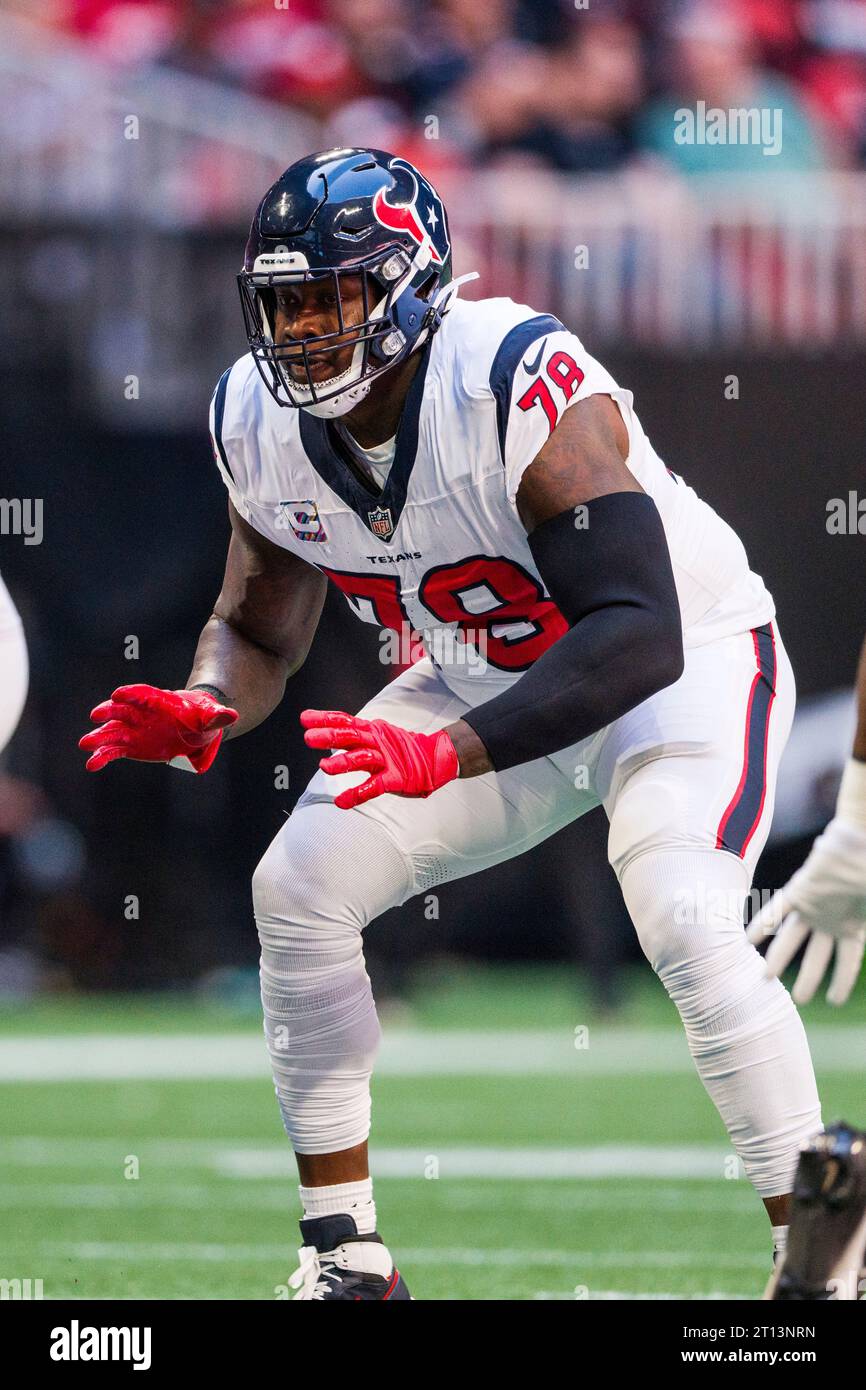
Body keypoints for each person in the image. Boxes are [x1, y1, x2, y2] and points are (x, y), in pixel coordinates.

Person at [81, 147, 821, 1300]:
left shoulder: (510, 374)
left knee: (679, 911)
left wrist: (446, 751)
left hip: (684, 663)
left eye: (330, 296)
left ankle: (821, 1263)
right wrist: (211, 698)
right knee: (298, 886)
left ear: (410, 286)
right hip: (482, 673)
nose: (304, 329)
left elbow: (635, 629)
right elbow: (257, 625)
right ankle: (345, 1253)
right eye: (283, 301)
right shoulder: (256, 417)